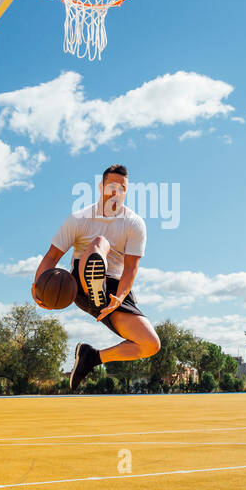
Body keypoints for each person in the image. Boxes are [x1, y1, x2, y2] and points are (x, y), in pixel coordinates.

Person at [32, 164, 161, 391]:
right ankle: (95, 284)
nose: (116, 191)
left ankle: (92, 357)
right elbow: (52, 256)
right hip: (81, 283)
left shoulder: (134, 223)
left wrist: (119, 298)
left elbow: (130, 268)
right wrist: (38, 288)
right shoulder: (79, 219)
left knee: (150, 344)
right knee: (100, 242)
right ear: (101, 187)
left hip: (115, 290)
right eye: (112, 186)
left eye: (122, 188)